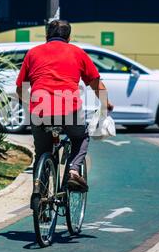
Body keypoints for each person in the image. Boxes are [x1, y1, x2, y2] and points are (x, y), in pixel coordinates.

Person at [16, 20, 113, 192]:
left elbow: (20, 88)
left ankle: (40, 196)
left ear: (47, 36)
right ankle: (74, 170)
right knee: (81, 137)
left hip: (39, 110)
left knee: (42, 152)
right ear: (69, 38)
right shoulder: (78, 53)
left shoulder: (33, 53)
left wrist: (30, 105)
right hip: (70, 110)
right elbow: (96, 84)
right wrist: (106, 103)